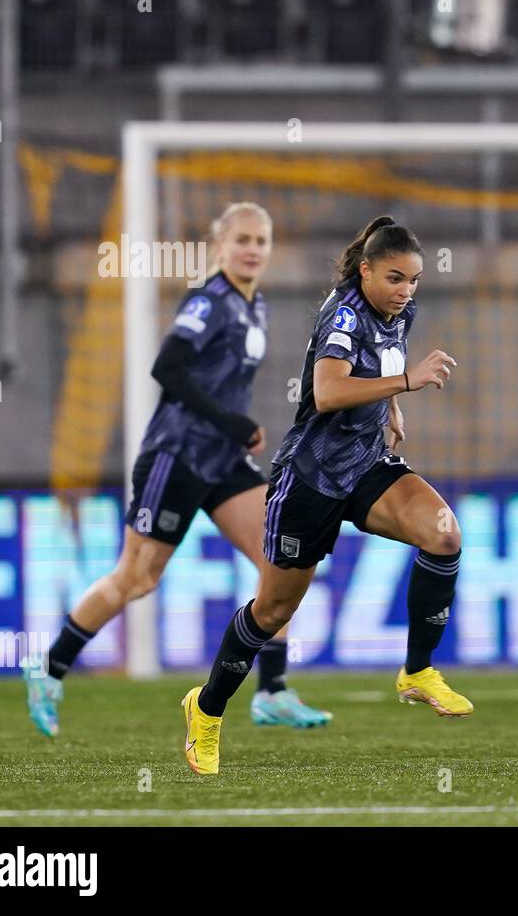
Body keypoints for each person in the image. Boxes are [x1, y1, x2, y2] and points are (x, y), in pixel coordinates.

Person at [22, 203, 331, 735]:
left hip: (224, 461)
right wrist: (229, 421)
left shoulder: (256, 307)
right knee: (137, 578)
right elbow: (166, 367)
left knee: (283, 553)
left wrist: (236, 429)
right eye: (243, 240)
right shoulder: (209, 301)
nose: (253, 249)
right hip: (178, 455)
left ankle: (273, 691)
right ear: (220, 245)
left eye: (261, 240)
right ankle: (49, 669)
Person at [180, 215, 468, 775]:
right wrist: (406, 382)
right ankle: (207, 709)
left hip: (366, 465)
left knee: (443, 534)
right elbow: (329, 390)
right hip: (311, 477)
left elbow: (376, 367)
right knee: (273, 610)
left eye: (413, 281)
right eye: (394, 279)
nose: (405, 292)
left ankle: (417, 671)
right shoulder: (344, 314)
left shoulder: (399, 311)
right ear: (365, 271)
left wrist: (389, 406)